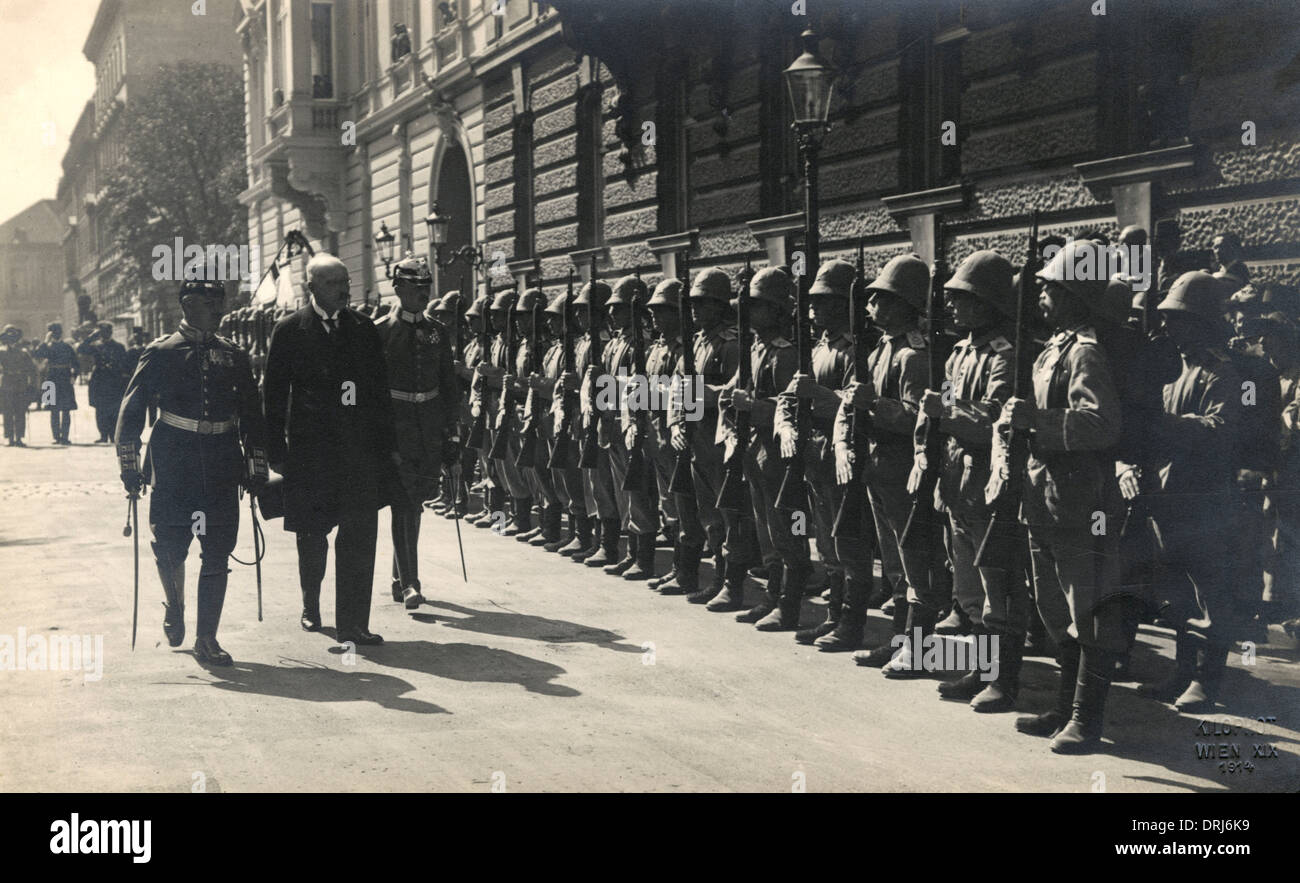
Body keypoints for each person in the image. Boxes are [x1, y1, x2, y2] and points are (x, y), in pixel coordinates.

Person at [1005, 240, 1127, 754]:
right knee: (1055, 610)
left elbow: (1101, 424)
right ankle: (1064, 706)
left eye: (1053, 287)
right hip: (1045, 495)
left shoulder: (1085, 352)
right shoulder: (1056, 346)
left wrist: (1040, 422)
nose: (1043, 295)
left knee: (1088, 609)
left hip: (1080, 500)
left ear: (1077, 295)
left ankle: (1085, 719)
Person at [115, 279, 269, 665]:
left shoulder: (233, 354)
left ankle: (207, 638)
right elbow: (131, 412)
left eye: (220, 303)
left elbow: (252, 413)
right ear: (186, 306)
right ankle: (175, 604)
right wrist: (130, 467)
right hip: (173, 460)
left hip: (220, 460)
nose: (218, 311)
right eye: (209, 304)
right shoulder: (161, 352)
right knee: (170, 543)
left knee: (218, 548)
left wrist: (256, 463)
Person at [263, 254, 396, 645]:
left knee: (358, 539)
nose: (345, 288)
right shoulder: (289, 330)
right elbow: (273, 395)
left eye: (346, 280)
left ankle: (353, 624)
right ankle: (311, 603)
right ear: (313, 288)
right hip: (310, 455)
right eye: (335, 282)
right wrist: (275, 453)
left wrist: (385, 446)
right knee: (312, 535)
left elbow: (377, 393)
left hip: (357, 455)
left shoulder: (363, 329)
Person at [1132, 271, 1244, 714]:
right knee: (1176, 591)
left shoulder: (1223, 373)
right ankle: (1182, 671)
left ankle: (1205, 679)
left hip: (1205, 500)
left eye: (1179, 320)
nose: (1169, 329)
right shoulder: (1172, 370)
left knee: (1210, 593)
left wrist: (1165, 426)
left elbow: (1221, 430)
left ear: (1202, 323)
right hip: (1169, 498)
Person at [919, 251, 1024, 708]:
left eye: (964, 299)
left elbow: (996, 422)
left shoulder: (1007, 356)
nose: (954, 308)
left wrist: (947, 413)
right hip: (957, 477)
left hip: (988, 480)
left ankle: (1002, 679)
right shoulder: (960, 353)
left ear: (989, 304)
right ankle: (981, 671)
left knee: (996, 583)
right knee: (967, 584)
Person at [836, 254, 945, 676]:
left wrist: (873, 406)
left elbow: (918, 417)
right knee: (895, 560)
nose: (872, 306)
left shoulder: (913, 356)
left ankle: (917, 647)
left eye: (883, 299)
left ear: (906, 305)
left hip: (903, 468)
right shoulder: (885, 348)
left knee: (915, 559)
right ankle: (901, 641)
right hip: (879, 466)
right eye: (874, 299)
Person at [781, 259, 877, 650]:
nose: (814, 309)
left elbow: (857, 402)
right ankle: (835, 615)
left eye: (824, 302)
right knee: (826, 540)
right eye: (813, 302)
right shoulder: (818, 347)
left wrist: (819, 398)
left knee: (850, 542)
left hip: (843, 454)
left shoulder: (856, 350)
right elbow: (790, 396)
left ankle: (851, 624)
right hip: (815, 454)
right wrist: (786, 422)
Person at [374, 256, 462, 610]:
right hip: (395, 429)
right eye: (415, 288)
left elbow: (448, 389)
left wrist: (452, 437)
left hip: (428, 429)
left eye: (427, 287)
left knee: (415, 503)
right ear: (398, 288)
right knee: (403, 502)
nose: (423, 294)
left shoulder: (437, 333)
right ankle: (411, 582)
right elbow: (371, 391)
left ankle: (399, 577)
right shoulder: (379, 331)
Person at [668, 267, 742, 605]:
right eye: (693, 305)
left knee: (729, 515)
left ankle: (732, 583)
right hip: (696, 438)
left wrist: (701, 394)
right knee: (709, 515)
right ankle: (715, 577)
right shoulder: (696, 342)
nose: (695, 311)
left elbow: (735, 391)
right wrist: (676, 423)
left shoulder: (730, 344)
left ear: (720, 305)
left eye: (703, 304)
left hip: (720, 439)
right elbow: (676, 390)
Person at [78, 321, 129, 444]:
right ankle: (103, 435)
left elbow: (125, 364)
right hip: (99, 380)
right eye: (102, 332)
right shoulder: (95, 346)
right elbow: (81, 349)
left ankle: (113, 435)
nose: (105, 334)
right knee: (100, 409)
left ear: (111, 332)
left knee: (114, 409)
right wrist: (91, 337)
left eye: (107, 332)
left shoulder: (119, 347)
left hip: (114, 380)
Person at [33, 322, 78, 444]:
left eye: (57, 332)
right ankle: (56, 436)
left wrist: (74, 376)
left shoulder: (67, 347)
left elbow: (75, 363)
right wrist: (45, 341)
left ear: (61, 333)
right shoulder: (47, 346)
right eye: (53, 332)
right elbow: (36, 354)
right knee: (53, 409)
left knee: (66, 409)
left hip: (64, 378)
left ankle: (65, 437)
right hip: (51, 379)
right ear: (51, 334)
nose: (56, 334)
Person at [0, 325, 37, 446]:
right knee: (8, 412)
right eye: (9, 337)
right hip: (6, 384)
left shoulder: (24, 353)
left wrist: (32, 384)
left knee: (20, 412)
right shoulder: (1, 352)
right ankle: (9, 437)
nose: (12, 340)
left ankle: (19, 437)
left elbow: (32, 369)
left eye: (14, 337)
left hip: (21, 384)